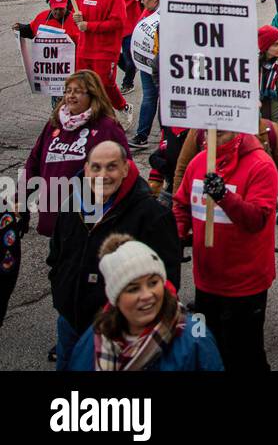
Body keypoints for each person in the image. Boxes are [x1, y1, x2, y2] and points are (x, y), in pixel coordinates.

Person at [48, 140, 183, 370]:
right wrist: (60, 287)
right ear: (86, 169)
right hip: (69, 323)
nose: (103, 175)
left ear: (125, 169)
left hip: (118, 331)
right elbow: (57, 255)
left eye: (111, 167)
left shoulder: (152, 215)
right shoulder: (72, 204)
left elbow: (169, 278)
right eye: (96, 167)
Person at [173, 126, 278, 371]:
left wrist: (224, 196)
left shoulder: (261, 165)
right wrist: (177, 235)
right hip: (206, 280)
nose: (215, 134)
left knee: (244, 355)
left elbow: (257, 220)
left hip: (245, 284)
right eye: (210, 131)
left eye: (221, 131)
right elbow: (181, 205)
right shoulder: (199, 163)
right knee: (208, 350)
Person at [66, 235, 223, 371]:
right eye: (133, 289)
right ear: (115, 297)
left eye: (153, 283)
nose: (147, 295)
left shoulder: (196, 339)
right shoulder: (94, 339)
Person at [24, 70, 128, 238]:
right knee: (59, 260)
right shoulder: (54, 124)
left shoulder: (107, 127)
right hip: (54, 209)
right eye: (68, 90)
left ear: (93, 95)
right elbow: (33, 163)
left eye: (78, 91)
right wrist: (20, 200)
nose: (71, 96)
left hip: (89, 216)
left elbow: (126, 169)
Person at [73, 0, 129, 113]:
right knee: (83, 84)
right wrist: (76, 18)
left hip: (105, 50)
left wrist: (89, 25)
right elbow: (78, 18)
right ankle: (90, 113)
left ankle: (122, 107)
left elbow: (117, 23)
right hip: (85, 49)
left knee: (105, 84)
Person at [128, 0, 167, 150]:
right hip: (147, 63)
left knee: (163, 101)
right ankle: (142, 135)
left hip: (160, 65)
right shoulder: (149, 11)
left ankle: (166, 138)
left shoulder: (167, 13)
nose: (141, 2)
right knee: (149, 98)